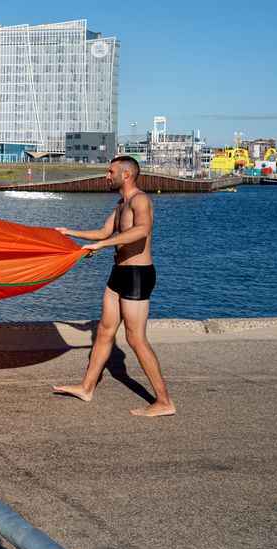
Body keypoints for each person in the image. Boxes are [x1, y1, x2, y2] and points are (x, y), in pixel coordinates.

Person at [53, 156, 176, 417]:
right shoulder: (121, 204)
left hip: (137, 274)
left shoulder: (140, 200)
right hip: (119, 272)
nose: (107, 176)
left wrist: (102, 246)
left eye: (111, 172)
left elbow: (142, 230)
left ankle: (164, 401)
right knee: (105, 330)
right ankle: (87, 387)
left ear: (126, 174)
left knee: (135, 338)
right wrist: (68, 232)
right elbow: (102, 232)